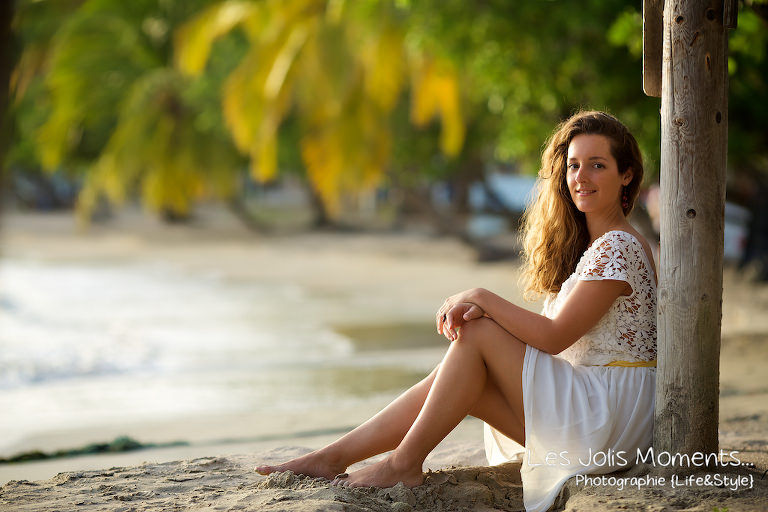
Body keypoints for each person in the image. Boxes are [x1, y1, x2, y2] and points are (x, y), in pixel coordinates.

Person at [256, 111, 657, 512]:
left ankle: (400, 463)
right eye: (573, 165)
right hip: (595, 413)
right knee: (463, 377)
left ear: (626, 175)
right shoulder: (598, 247)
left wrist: (482, 297)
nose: (580, 177)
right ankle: (333, 459)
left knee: (478, 333)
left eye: (597, 165)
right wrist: (485, 310)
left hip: (608, 418)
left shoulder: (618, 246)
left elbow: (554, 337)